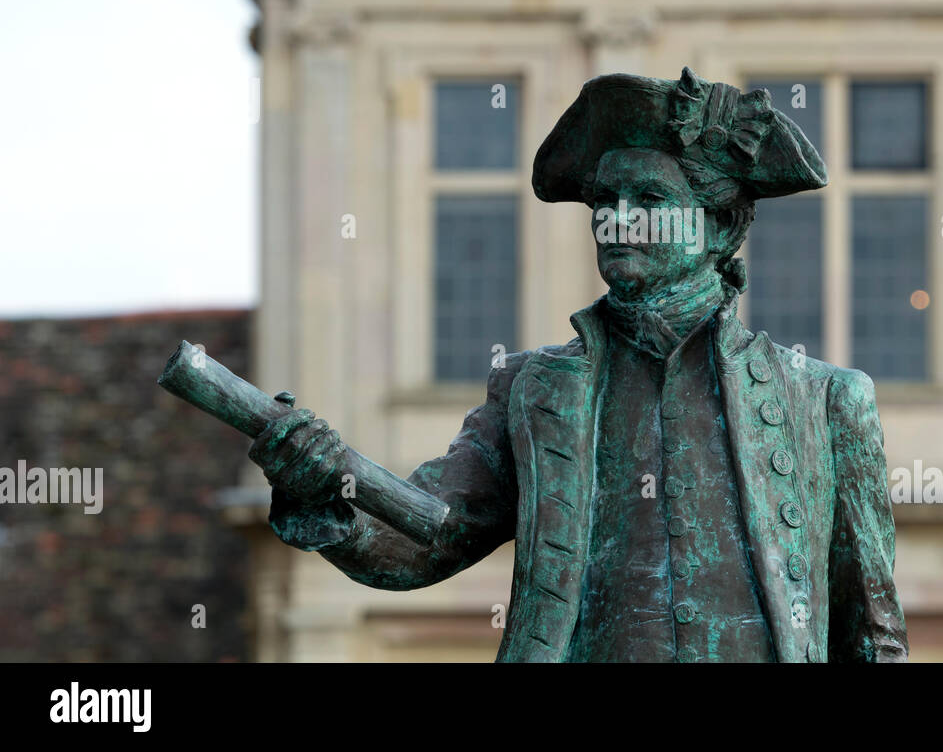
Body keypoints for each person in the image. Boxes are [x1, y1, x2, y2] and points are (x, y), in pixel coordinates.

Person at [250, 66, 908, 662]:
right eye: (605, 204)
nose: (619, 222)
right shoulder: (533, 391)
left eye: (648, 201)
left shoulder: (825, 402)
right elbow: (427, 534)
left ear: (723, 227)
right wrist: (324, 490)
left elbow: (872, 633)